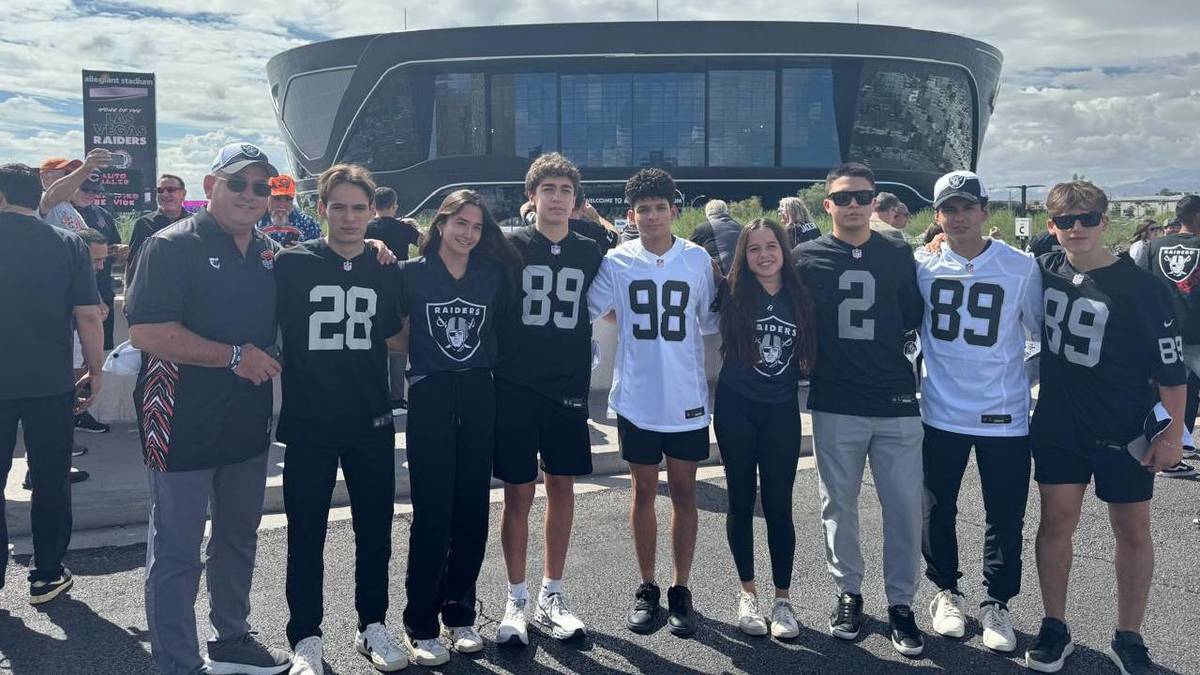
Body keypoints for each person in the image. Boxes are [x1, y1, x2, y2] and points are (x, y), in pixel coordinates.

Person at [126, 142, 291, 675]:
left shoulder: (268, 251)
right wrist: (235, 357)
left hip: (246, 417)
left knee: (239, 534)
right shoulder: (170, 245)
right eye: (237, 183)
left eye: (260, 186)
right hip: (178, 417)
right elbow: (148, 332)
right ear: (208, 186)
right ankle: (176, 661)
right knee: (177, 546)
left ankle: (232, 637)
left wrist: (378, 247)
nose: (249, 194)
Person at [1025, 181, 1186, 675]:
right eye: (1065, 221)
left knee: (1132, 528)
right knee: (1055, 522)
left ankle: (1129, 635)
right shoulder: (1043, 270)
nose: (1077, 229)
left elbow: (1172, 371)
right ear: (1051, 227)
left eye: (1088, 219)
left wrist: (1174, 433)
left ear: (1104, 220)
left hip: (1124, 425)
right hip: (1060, 422)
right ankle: (1055, 625)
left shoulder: (1142, 287)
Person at [275, 165, 408, 675]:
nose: (349, 217)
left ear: (373, 211)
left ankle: (371, 624)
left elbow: (400, 334)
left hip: (369, 419)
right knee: (304, 533)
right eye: (339, 207)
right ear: (321, 208)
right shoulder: (291, 264)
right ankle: (306, 636)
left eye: (359, 207)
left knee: (375, 530)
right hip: (309, 420)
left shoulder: (386, 268)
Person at [794, 162, 926, 657]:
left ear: (875, 201)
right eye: (843, 198)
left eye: (862, 196)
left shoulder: (898, 253)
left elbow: (913, 315)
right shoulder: (805, 257)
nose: (853, 205)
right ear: (827, 204)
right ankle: (847, 592)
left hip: (894, 398)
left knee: (904, 508)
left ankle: (901, 603)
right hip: (835, 399)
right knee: (838, 505)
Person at [586, 168, 720, 637]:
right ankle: (648, 586)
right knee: (643, 493)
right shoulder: (617, 260)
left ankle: (682, 587)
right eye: (643, 209)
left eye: (660, 207)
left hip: (684, 396)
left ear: (674, 211)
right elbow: (592, 305)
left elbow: (707, 319)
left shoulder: (697, 259)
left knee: (685, 494)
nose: (652, 215)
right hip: (637, 398)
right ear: (631, 214)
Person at [914, 171, 1042, 653]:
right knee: (936, 508)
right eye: (949, 208)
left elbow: (1039, 332)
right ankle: (947, 590)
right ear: (937, 215)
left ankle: (997, 601)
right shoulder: (921, 267)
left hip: (1004, 413)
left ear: (986, 211)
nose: (959, 216)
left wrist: (1022, 381)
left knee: (1005, 514)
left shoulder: (1020, 267)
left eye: (968, 207)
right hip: (941, 412)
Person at [397, 189, 520, 666]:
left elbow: (503, 334)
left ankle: (460, 613)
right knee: (432, 513)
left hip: (478, 392)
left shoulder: (492, 277)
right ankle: (420, 623)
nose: (468, 233)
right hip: (429, 392)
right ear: (440, 224)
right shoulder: (409, 274)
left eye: (476, 226)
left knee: (471, 509)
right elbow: (393, 330)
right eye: (460, 223)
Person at [494, 153, 603, 646]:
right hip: (515, 383)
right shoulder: (508, 245)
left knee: (563, 486)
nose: (556, 198)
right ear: (531, 198)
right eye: (548, 189)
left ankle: (551, 595)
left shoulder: (593, 248)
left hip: (566, 386)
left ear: (576, 201)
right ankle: (515, 597)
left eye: (565, 190)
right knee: (519, 491)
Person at [0, 163, 103, 605]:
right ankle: (46, 574)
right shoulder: (67, 244)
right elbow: (88, 314)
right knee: (49, 479)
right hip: (50, 382)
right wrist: (95, 369)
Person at [714, 219, 816, 639]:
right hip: (736, 408)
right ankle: (747, 593)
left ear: (783, 249)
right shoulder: (730, 290)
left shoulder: (802, 294)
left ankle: (783, 599)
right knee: (740, 501)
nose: (763, 255)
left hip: (780, 412)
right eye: (753, 249)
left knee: (779, 504)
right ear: (743, 254)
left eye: (771, 246)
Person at [1137, 195, 1200, 477]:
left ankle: (1170, 456)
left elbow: (1140, 287)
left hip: (1162, 334)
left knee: (1169, 399)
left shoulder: (1153, 247)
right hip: (1197, 333)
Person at [72, 176, 127, 353]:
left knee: (98, 349)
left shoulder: (102, 215)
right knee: (74, 348)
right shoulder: (61, 212)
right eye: (86, 189)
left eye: (95, 191)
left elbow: (115, 248)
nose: (90, 194)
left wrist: (119, 251)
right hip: (75, 292)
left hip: (102, 288)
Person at [127, 174, 190, 283]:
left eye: (170, 190)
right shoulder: (143, 224)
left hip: (188, 289)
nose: (165, 194)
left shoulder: (193, 224)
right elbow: (133, 263)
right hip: (154, 290)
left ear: (183, 194)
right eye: (160, 190)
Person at [39, 154, 105, 232]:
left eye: (75, 173)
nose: (75, 177)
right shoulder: (41, 199)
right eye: (68, 173)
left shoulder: (73, 210)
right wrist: (86, 167)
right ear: (45, 177)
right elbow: (50, 197)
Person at [258, 174, 322, 247]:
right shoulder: (254, 221)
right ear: (267, 197)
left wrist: (305, 250)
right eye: (277, 198)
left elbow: (321, 253)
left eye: (288, 199)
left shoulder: (308, 224)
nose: (282, 204)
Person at [689, 199, 743, 275]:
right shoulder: (740, 227)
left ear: (707, 214)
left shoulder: (702, 228)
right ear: (726, 212)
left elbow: (688, 251)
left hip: (715, 275)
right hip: (739, 274)